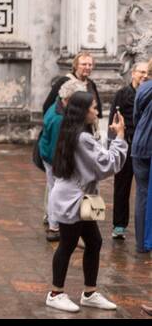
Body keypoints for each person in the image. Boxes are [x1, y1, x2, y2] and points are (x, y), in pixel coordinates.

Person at [44, 90, 127, 312]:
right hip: (73, 198)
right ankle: (55, 293)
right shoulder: (82, 137)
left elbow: (99, 157)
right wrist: (120, 137)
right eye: (94, 108)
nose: (97, 111)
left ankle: (89, 292)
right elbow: (107, 165)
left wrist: (112, 139)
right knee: (67, 244)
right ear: (83, 111)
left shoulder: (78, 132)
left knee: (95, 242)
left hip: (86, 196)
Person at [39, 78, 82, 242]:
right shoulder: (58, 118)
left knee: (53, 189)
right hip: (53, 158)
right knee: (56, 190)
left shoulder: (58, 105)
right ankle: (55, 225)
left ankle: (55, 223)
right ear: (69, 99)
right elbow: (58, 147)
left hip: (49, 155)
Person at [111, 61, 146, 240]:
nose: (144, 76)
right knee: (122, 187)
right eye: (141, 72)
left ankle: (145, 227)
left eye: (147, 73)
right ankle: (119, 225)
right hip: (125, 146)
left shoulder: (148, 94)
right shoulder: (122, 94)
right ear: (132, 73)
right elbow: (113, 120)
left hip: (144, 148)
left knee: (144, 189)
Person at [42, 52, 104, 119]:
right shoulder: (64, 81)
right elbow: (48, 105)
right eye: (84, 64)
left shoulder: (91, 84)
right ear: (76, 66)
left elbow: (98, 109)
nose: (87, 67)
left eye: (90, 65)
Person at [131, 61, 152, 254]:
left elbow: (136, 117)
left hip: (140, 144)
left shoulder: (143, 88)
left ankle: (141, 243)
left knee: (142, 194)